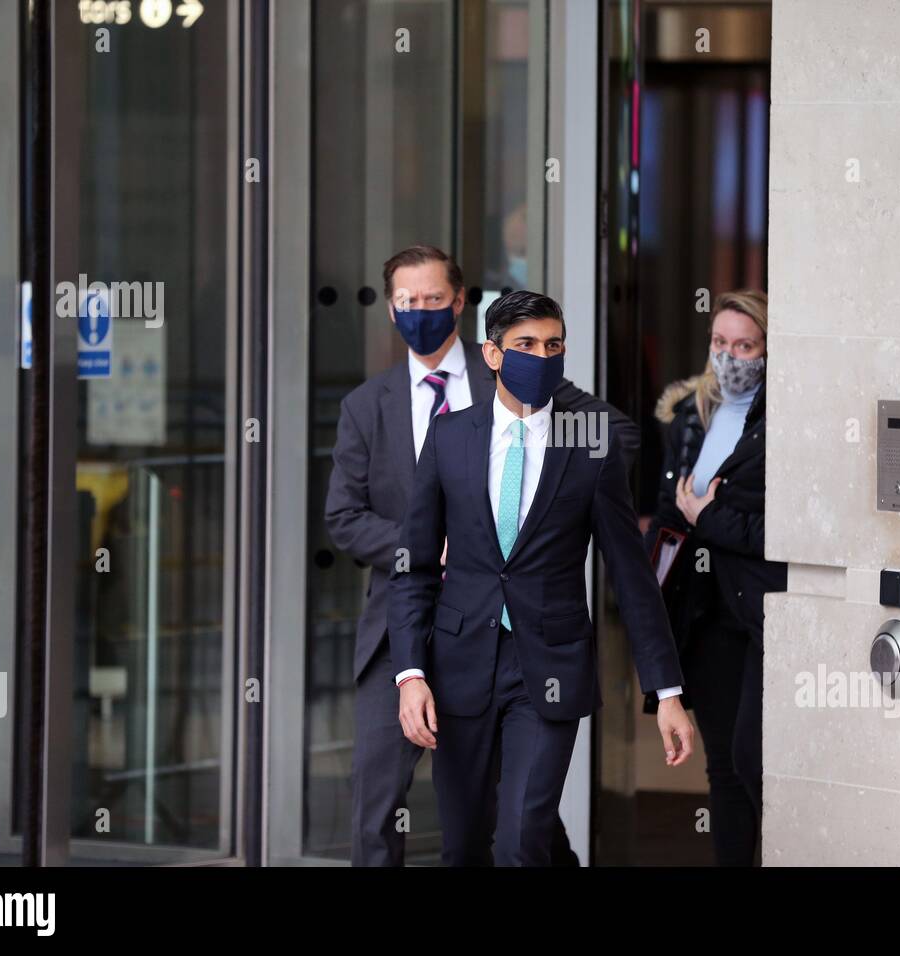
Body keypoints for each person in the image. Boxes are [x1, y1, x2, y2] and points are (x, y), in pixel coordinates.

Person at [325, 246, 640, 866]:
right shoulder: (368, 405)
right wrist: (429, 547)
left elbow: (614, 432)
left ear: (460, 303)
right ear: (391, 310)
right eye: (407, 302)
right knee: (378, 804)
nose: (421, 312)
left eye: (434, 299)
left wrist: (567, 467)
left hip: (518, 629)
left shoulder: (512, 362)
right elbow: (343, 517)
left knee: (523, 818)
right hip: (409, 623)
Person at [388, 290, 694, 866]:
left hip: (548, 669)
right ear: (493, 354)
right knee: (462, 849)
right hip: (459, 666)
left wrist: (668, 693)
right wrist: (410, 673)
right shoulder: (451, 437)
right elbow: (415, 568)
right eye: (525, 345)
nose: (542, 356)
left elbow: (631, 577)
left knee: (524, 839)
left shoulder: (591, 446)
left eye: (553, 345)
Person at [645, 290, 785, 867]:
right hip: (702, 612)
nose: (730, 357)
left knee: (755, 760)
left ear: (770, 349)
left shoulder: (780, 420)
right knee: (724, 764)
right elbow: (666, 513)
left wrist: (711, 518)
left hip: (755, 610)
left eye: (745, 345)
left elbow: (783, 532)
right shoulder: (689, 415)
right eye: (720, 343)